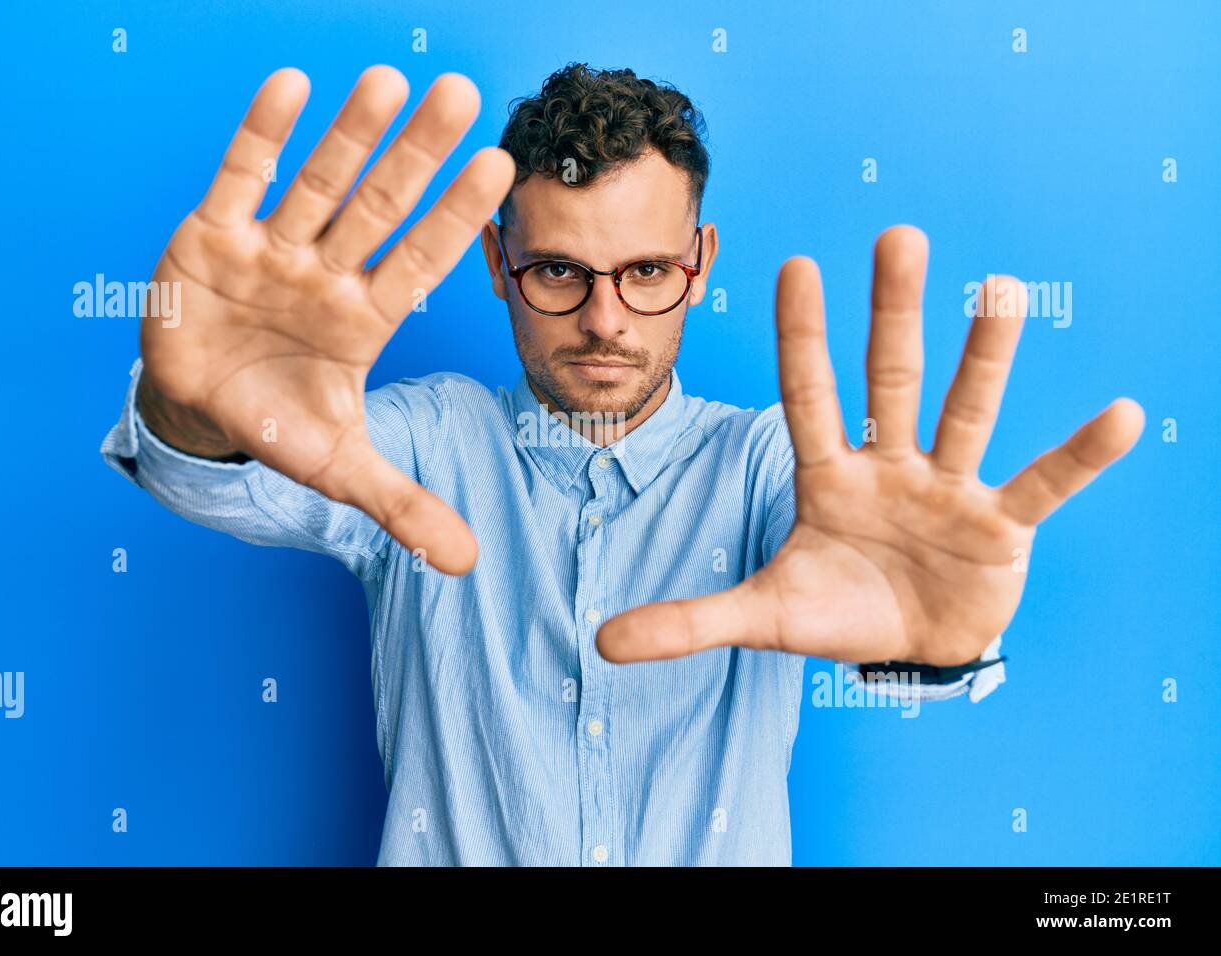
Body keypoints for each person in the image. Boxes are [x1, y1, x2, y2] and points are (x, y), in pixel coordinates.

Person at [100, 62, 1143, 865]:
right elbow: (213, 475)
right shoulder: (426, 440)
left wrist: (945, 642)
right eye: (558, 268)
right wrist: (194, 407)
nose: (604, 321)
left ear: (699, 266)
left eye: (645, 270)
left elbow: (882, 594)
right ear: (498, 264)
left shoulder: (777, 468)